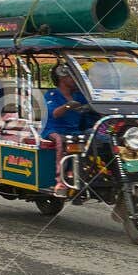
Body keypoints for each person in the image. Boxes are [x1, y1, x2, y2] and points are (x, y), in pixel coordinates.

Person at [42, 64, 94, 195]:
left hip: (74, 130)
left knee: (94, 137)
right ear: (62, 78)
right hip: (53, 129)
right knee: (60, 140)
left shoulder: (79, 96)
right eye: (72, 76)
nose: (75, 80)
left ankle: (86, 174)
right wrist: (67, 106)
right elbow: (54, 113)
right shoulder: (51, 94)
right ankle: (60, 180)